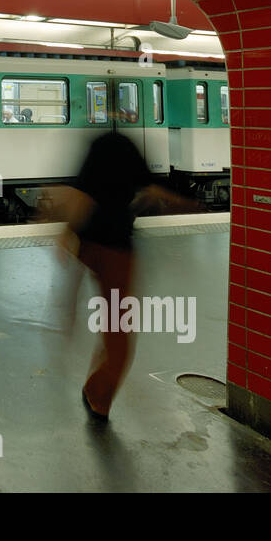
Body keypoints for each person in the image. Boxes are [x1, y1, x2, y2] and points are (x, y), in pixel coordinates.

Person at [53, 131, 197, 422]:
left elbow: (81, 196)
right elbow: (154, 192)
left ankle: (93, 381)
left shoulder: (98, 143)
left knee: (112, 325)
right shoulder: (126, 145)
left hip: (89, 246)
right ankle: (97, 399)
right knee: (120, 338)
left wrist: (66, 233)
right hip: (116, 251)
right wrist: (187, 203)